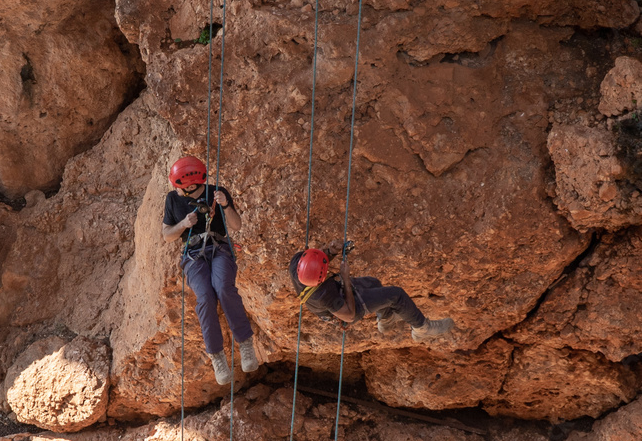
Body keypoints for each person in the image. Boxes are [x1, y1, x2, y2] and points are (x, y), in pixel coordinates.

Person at [163, 155, 258, 383]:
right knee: (205, 297)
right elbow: (167, 235)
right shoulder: (172, 200)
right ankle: (217, 357)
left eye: (181, 187)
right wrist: (184, 224)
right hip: (194, 254)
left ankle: (245, 344)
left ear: (192, 185)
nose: (177, 191)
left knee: (224, 287)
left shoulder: (217, 192)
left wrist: (225, 205)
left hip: (219, 248)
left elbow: (236, 225)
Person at [288, 240, 454, 340]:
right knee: (397, 295)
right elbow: (350, 314)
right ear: (322, 279)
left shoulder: (296, 263)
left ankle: (386, 320)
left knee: (373, 282)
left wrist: (330, 251)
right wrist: (346, 279)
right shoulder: (324, 296)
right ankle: (422, 328)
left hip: (338, 291)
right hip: (347, 307)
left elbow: (318, 257)